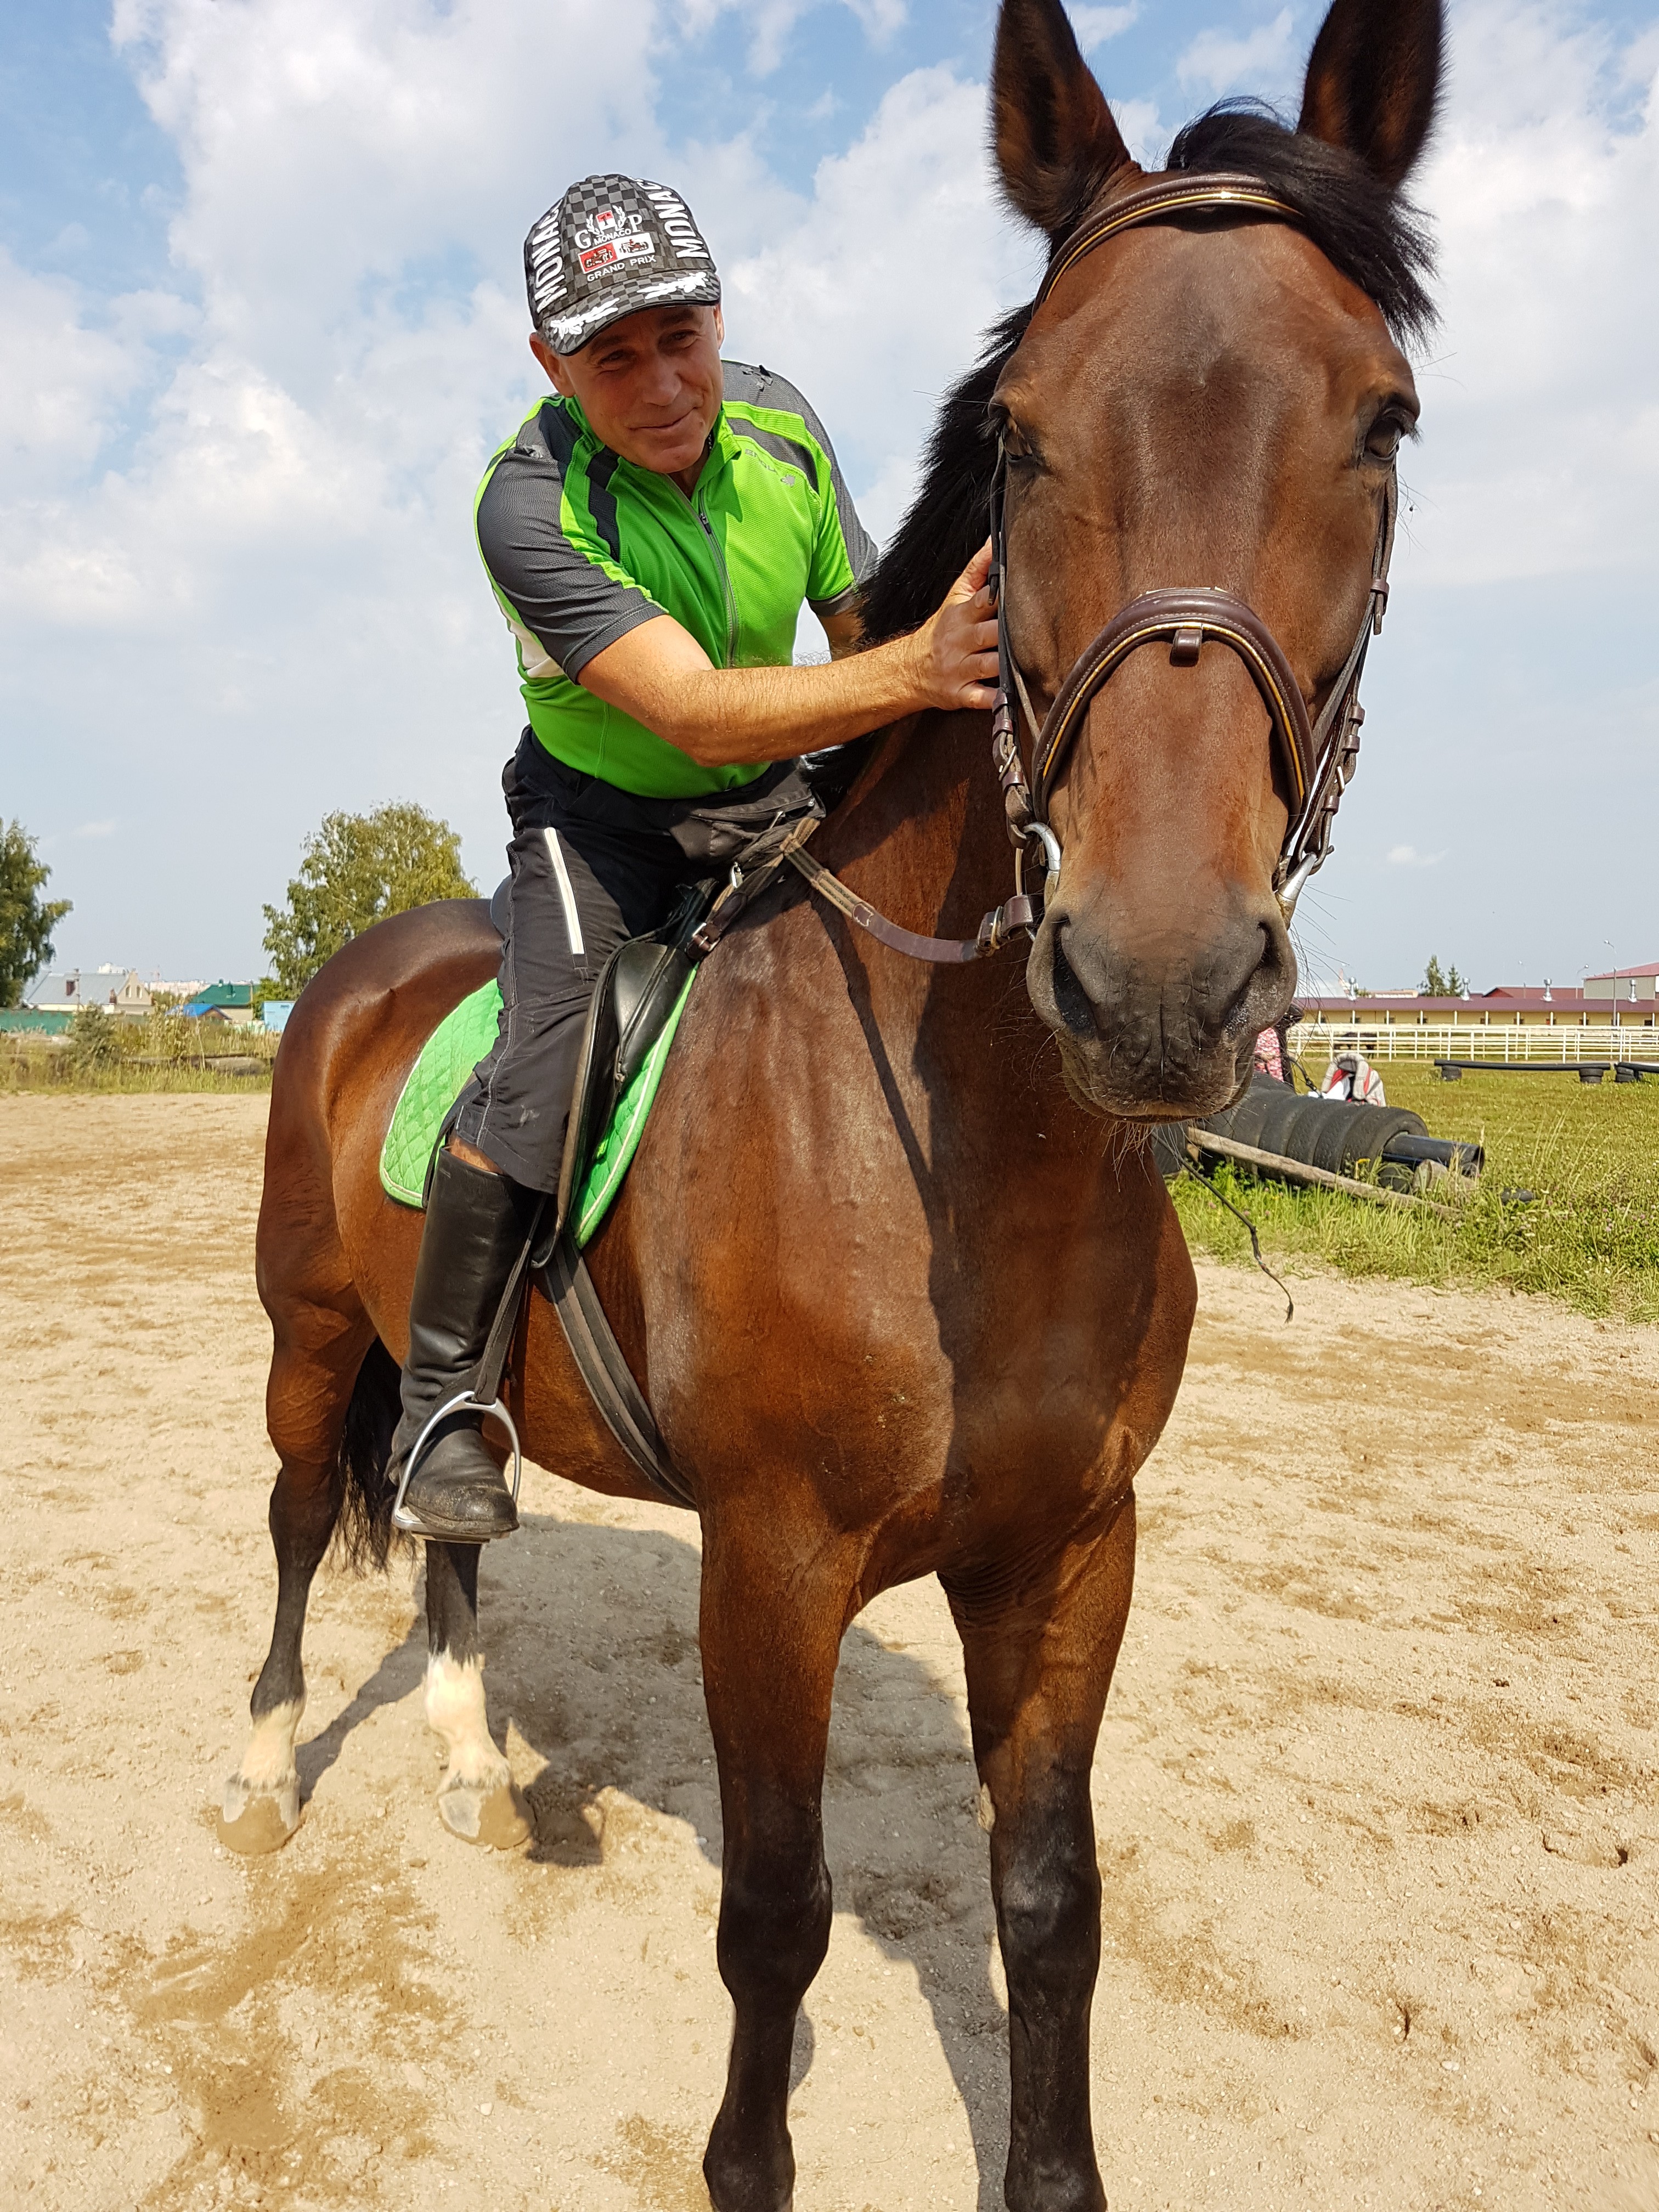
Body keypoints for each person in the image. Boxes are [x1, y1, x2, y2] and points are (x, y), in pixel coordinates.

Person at [390, 173, 1002, 1543]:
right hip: (596, 824)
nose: (664, 382)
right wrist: (916, 669)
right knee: (545, 1063)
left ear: (720, 316)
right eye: (615, 355)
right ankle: (440, 1406)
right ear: (551, 363)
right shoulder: (526, 502)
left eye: (683, 336)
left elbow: (860, 632)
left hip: (771, 792)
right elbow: (687, 707)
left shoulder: (782, 423)